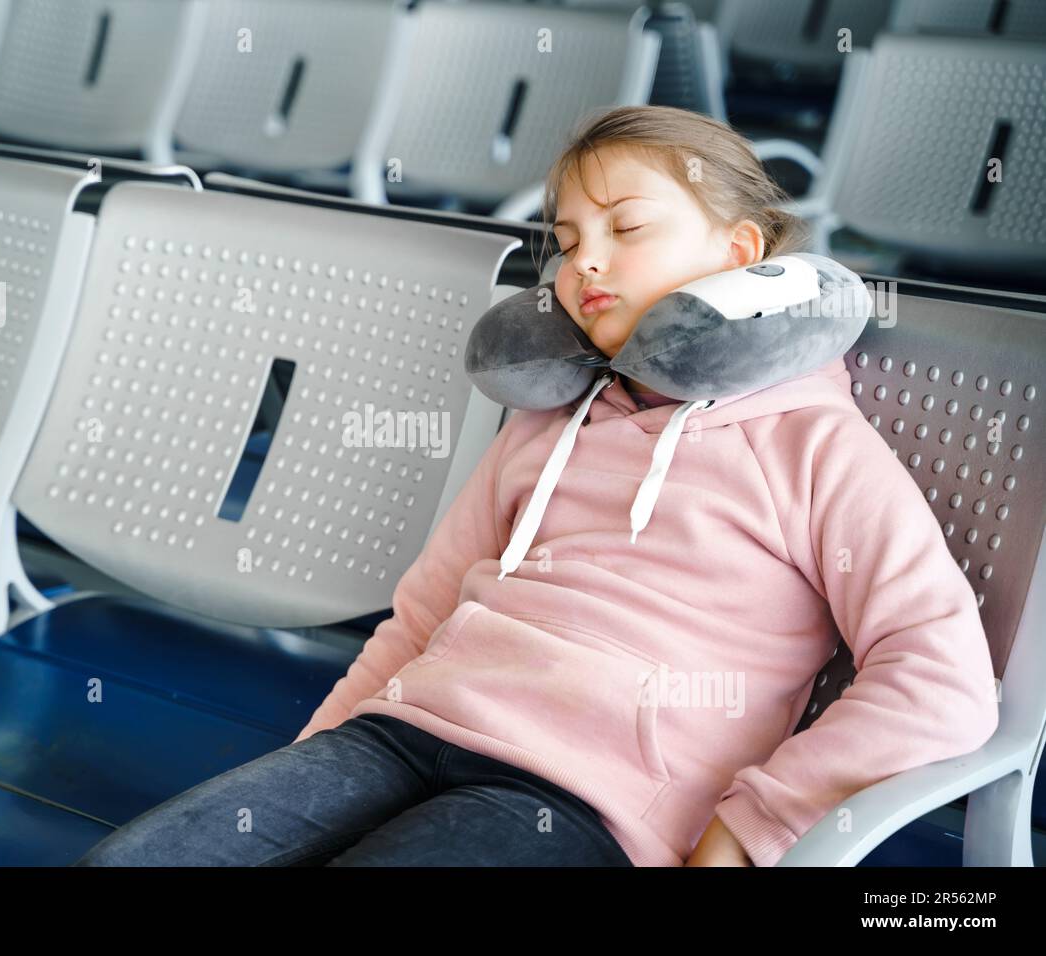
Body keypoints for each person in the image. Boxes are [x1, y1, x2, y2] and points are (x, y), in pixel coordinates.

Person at [75, 105, 998, 867]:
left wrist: (748, 833)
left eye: (627, 228)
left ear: (737, 252)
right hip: (398, 736)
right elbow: (422, 611)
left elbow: (941, 679)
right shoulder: (547, 424)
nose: (583, 262)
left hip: (579, 799)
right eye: (566, 240)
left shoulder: (814, 447)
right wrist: (313, 767)